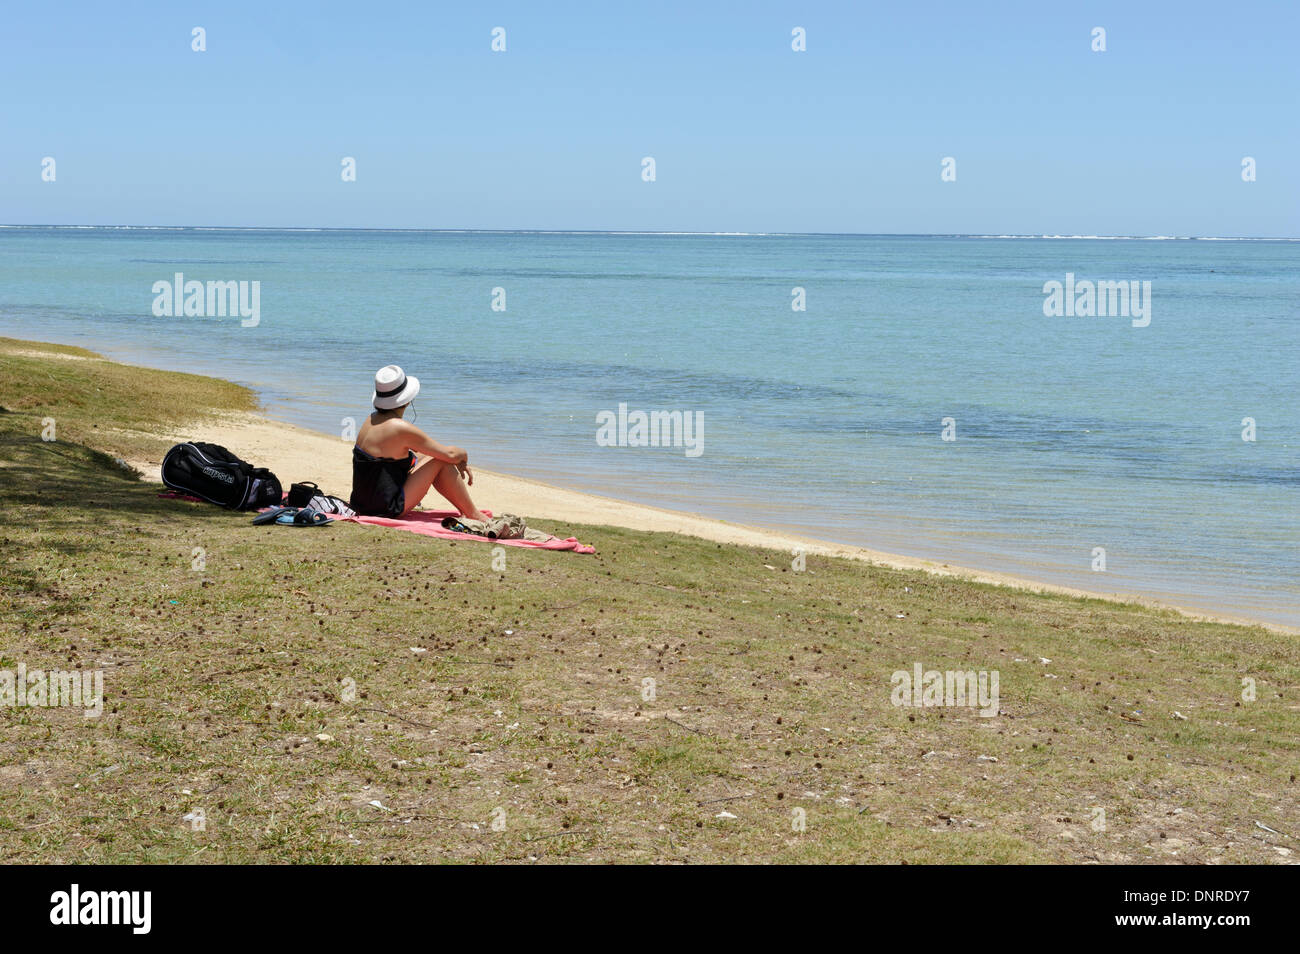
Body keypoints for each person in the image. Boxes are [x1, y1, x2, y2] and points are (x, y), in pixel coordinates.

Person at [349, 364, 488, 520]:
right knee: (441, 461)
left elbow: (416, 453)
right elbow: (450, 454)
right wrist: (464, 456)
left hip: (361, 503)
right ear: (408, 400)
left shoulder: (371, 419)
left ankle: (467, 511)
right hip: (385, 508)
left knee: (430, 457)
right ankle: (473, 514)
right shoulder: (399, 428)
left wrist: (452, 458)